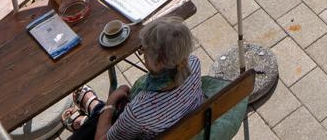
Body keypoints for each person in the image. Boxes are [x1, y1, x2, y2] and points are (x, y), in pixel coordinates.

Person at [62, 16, 215, 139]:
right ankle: (93, 111)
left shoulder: (137, 112)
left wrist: (110, 103)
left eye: (144, 51)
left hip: (135, 128)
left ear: (159, 62)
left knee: (102, 116)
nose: (142, 53)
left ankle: (94, 113)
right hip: (185, 126)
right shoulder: (194, 64)